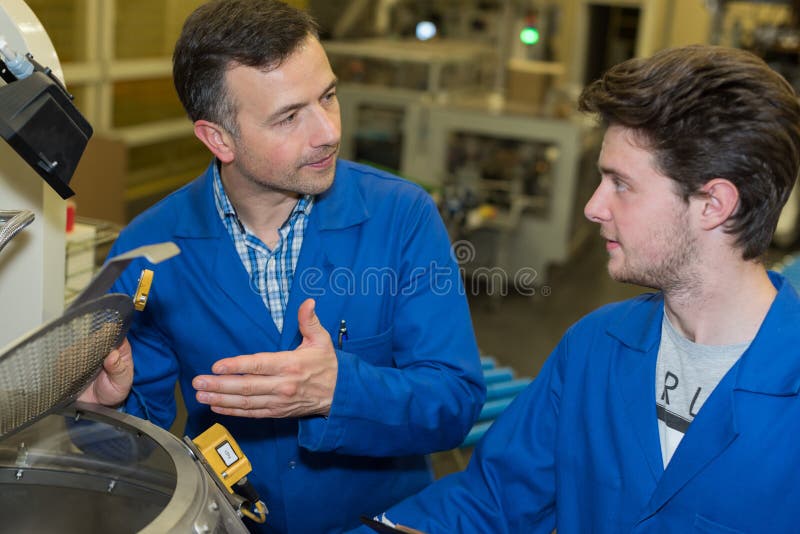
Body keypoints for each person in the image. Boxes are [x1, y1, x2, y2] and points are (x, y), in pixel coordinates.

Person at [352, 45, 800, 533]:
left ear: (713, 204)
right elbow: (491, 501)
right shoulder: (594, 347)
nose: (593, 207)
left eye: (620, 184)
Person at [91, 1, 485, 532]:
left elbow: (455, 402)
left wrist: (338, 390)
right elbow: (139, 448)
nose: (327, 131)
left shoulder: (402, 216)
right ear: (218, 138)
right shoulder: (151, 249)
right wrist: (107, 411)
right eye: (289, 117)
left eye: (328, 96)